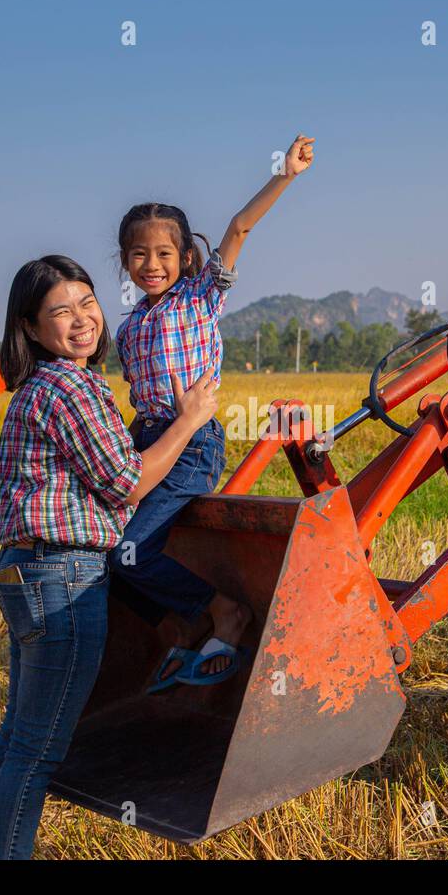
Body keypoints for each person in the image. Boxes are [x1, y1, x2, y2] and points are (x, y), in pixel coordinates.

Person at [0, 254, 217, 860]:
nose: (81, 320)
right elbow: (127, 483)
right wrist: (188, 422)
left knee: (16, 739)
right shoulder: (69, 388)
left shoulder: (41, 388)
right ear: (29, 327)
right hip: (65, 576)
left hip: (26, 570)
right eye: (60, 312)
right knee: (38, 752)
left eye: (87, 303)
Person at [112, 133, 315, 689]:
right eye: (138, 254)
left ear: (186, 258)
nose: (150, 264)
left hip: (192, 444)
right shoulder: (128, 329)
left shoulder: (200, 298)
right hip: (146, 441)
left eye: (162, 253)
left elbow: (240, 227)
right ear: (124, 260)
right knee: (107, 551)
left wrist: (286, 173)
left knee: (131, 551)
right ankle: (181, 631)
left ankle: (225, 611)